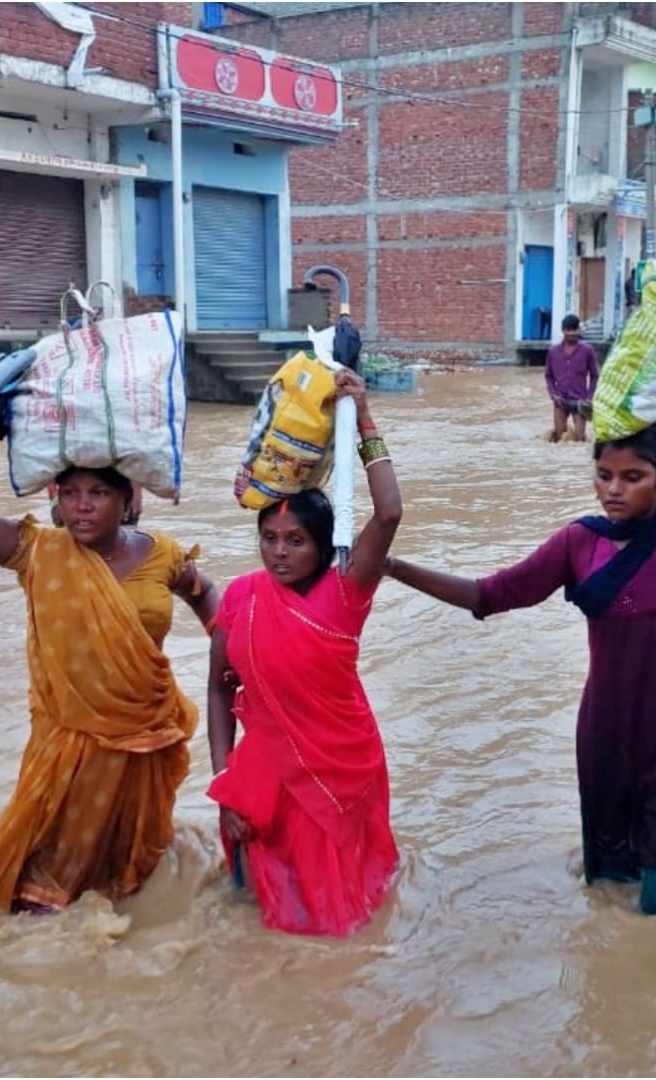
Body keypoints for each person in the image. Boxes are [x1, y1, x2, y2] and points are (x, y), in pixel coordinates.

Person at [385, 297, 656, 917]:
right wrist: (394, 567)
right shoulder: (577, 542)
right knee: (608, 897)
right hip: (608, 735)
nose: (615, 490)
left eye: (632, 477)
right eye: (605, 476)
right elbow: (490, 596)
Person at [0, 421, 217, 914]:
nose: (82, 505)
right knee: (41, 892)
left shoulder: (162, 553)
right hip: (68, 743)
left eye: (98, 492)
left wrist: (226, 649)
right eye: (71, 492)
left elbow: (204, 593)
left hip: (146, 729)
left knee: (127, 872)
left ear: (127, 499)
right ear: (55, 499)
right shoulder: (38, 551)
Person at [207, 370, 401, 937]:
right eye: (269, 539)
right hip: (260, 775)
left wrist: (364, 418)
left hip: (335, 772)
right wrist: (224, 780)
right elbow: (220, 687)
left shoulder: (344, 593)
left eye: (296, 541)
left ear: (323, 547)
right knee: (256, 910)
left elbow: (388, 512)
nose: (279, 552)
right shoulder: (241, 595)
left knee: (329, 920)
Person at [546, 315, 600, 443]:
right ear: (563, 331)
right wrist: (553, 395)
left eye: (575, 330)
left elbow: (594, 375)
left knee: (579, 439)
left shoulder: (587, 350)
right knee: (560, 437)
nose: (572, 333)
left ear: (579, 330)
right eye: (568, 330)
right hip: (560, 400)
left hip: (580, 401)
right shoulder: (553, 352)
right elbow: (549, 376)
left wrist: (589, 397)